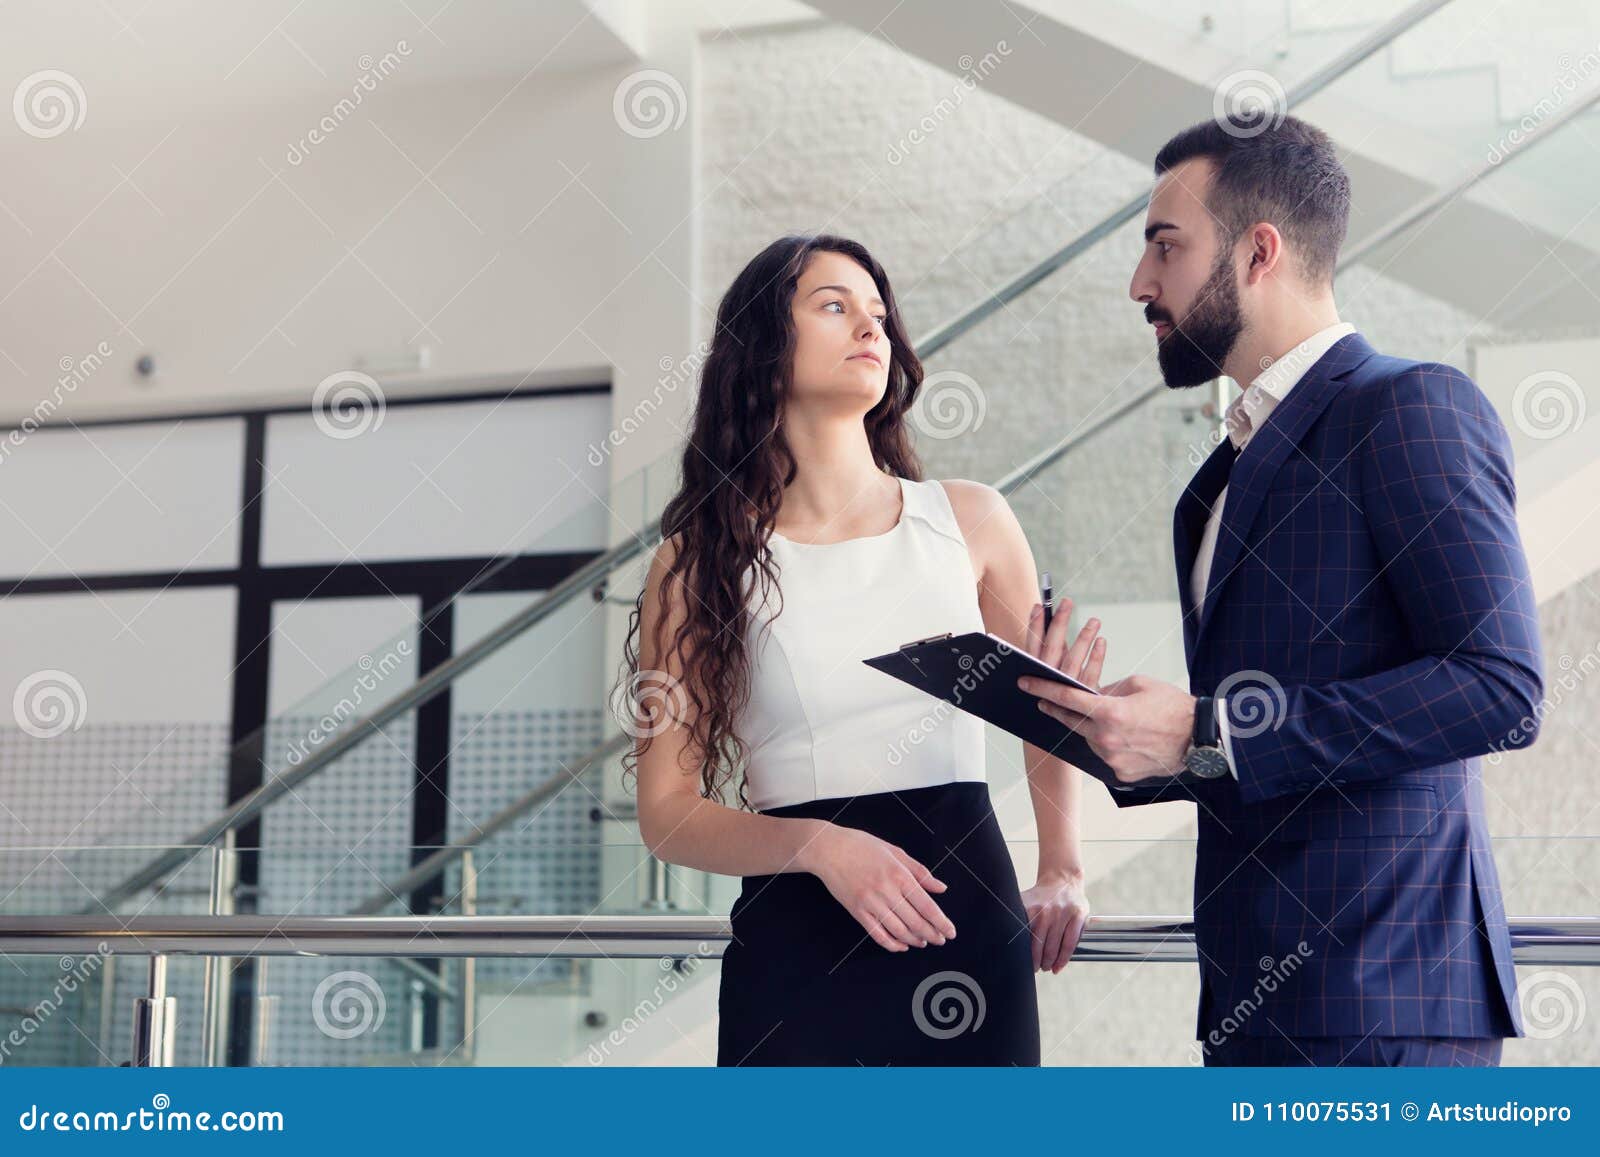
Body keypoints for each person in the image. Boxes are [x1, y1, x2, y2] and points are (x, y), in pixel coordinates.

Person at [1018, 115, 1544, 1067]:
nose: (1140, 284)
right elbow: (1250, 746)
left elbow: (1500, 689)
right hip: (1252, 1003)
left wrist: (1208, 728)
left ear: (1259, 252)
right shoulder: (1213, 485)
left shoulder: (1410, 407)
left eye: (1165, 248)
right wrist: (1101, 725)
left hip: (1385, 1001)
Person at [620, 234, 1096, 1066]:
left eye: (877, 312)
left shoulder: (972, 521)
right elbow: (668, 815)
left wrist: (1063, 866)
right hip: (797, 948)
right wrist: (817, 845)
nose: (870, 327)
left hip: (965, 929)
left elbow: (1045, 711)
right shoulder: (698, 563)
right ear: (764, 345)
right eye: (833, 306)